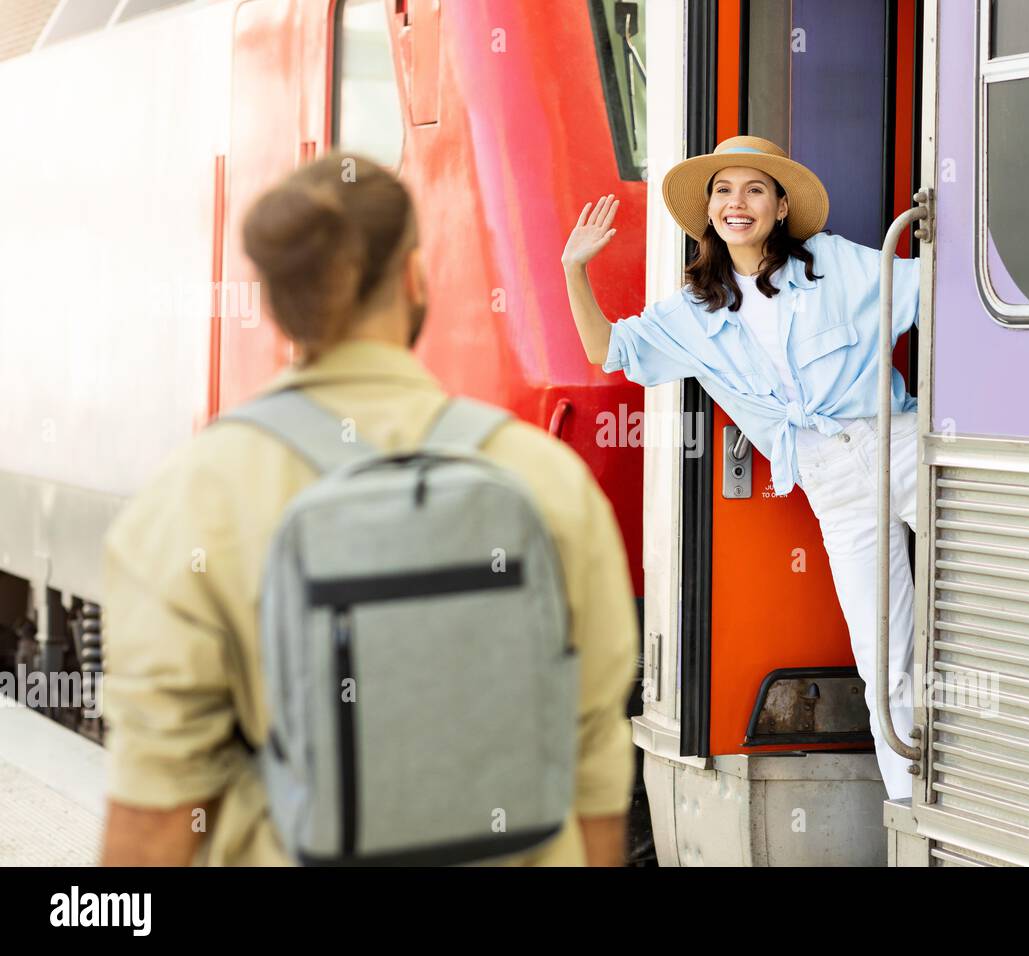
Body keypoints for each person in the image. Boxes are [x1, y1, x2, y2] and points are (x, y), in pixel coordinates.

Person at [100, 154, 638, 866]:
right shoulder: (546, 477)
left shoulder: (191, 497)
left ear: (273, 305)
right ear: (416, 279)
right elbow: (595, 775)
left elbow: (158, 813)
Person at [563, 135, 922, 800]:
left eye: (755, 189)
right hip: (833, 483)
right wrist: (574, 271)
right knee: (881, 658)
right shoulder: (691, 312)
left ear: (781, 206)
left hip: (900, 444)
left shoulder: (837, 265)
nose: (738, 202)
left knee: (992, 587)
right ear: (709, 212)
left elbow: (931, 294)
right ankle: (912, 808)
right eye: (724, 191)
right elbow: (607, 349)